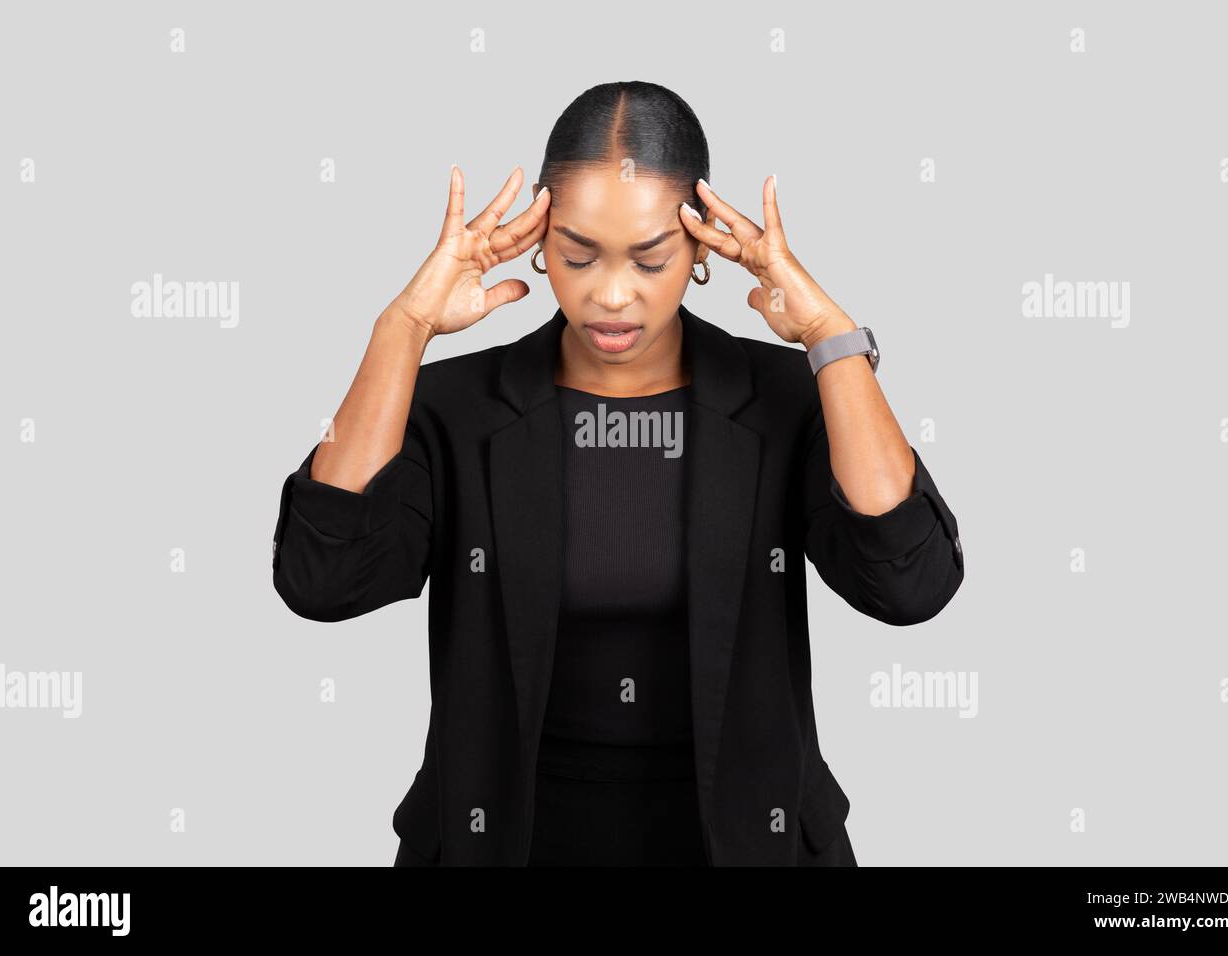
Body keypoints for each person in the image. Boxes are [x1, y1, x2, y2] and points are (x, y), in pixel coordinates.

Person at [271, 81, 964, 866]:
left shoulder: (784, 402)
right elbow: (322, 583)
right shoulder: (453, 408)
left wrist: (829, 338)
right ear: (538, 240)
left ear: (701, 248)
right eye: (577, 255)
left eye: (650, 258)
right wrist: (401, 331)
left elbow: (909, 588)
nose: (610, 294)